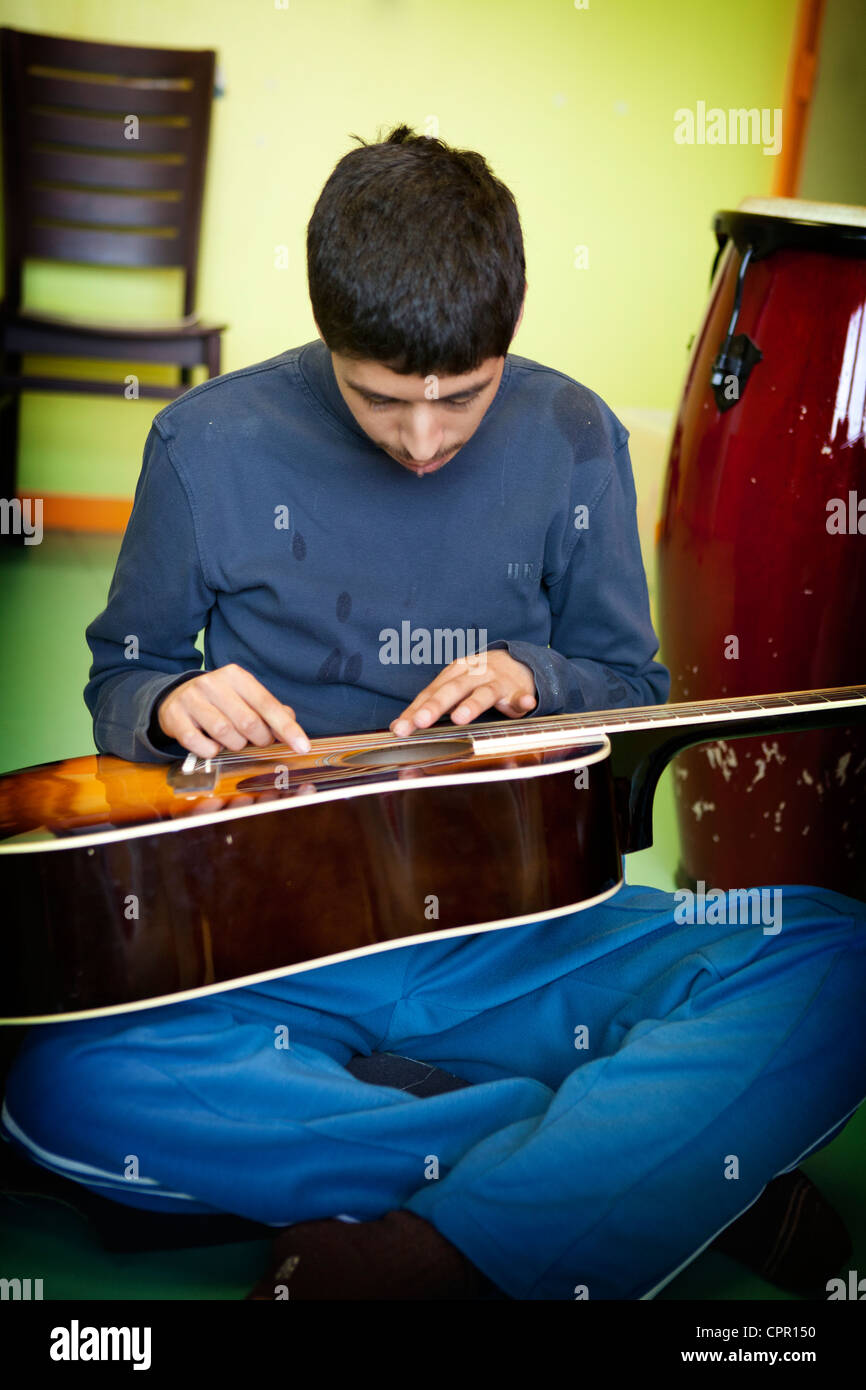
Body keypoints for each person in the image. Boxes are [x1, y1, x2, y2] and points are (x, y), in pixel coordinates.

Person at [3, 126, 865, 1301]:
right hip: (275, 936)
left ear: (504, 342)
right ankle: (606, 1160)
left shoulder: (573, 438)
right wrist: (170, 702)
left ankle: (444, 1235)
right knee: (61, 1082)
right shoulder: (204, 444)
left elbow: (634, 685)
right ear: (328, 336)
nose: (423, 439)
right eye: (378, 399)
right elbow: (125, 672)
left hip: (522, 928)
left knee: (830, 948)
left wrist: (539, 680)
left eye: (462, 398)